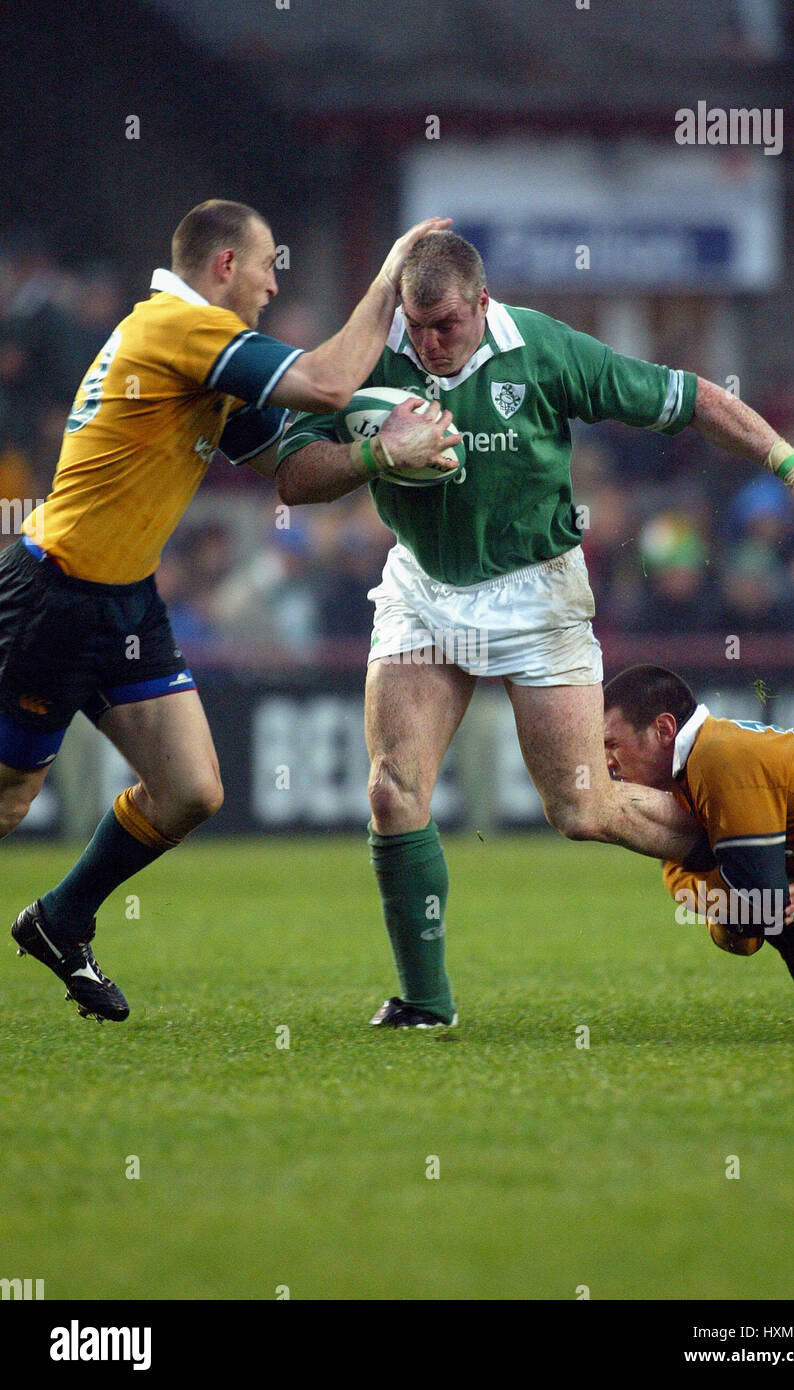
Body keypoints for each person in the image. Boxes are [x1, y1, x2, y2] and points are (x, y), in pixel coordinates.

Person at [276, 230, 794, 1028]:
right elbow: (294, 477)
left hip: (536, 594)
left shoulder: (543, 350)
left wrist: (791, 468)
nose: (428, 342)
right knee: (389, 790)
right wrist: (379, 452)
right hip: (422, 585)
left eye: (445, 323)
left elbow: (691, 398)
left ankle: (761, 875)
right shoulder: (368, 355)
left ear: (483, 304)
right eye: (415, 324)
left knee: (582, 810)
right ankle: (425, 1002)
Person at [2, 199, 459, 1023]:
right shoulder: (179, 329)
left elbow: (291, 471)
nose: (274, 283)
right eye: (266, 266)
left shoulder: (206, 357)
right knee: (8, 799)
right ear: (223, 268)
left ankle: (60, 920)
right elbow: (324, 380)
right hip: (55, 594)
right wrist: (390, 280)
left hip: (125, 599)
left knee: (189, 791)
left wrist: (377, 451)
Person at [601, 663, 794, 989]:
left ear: (664, 730)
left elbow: (763, 902)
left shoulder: (717, 757)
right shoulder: (707, 756)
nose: (607, 762)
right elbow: (749, 917)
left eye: (612, 744)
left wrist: (781, 925)